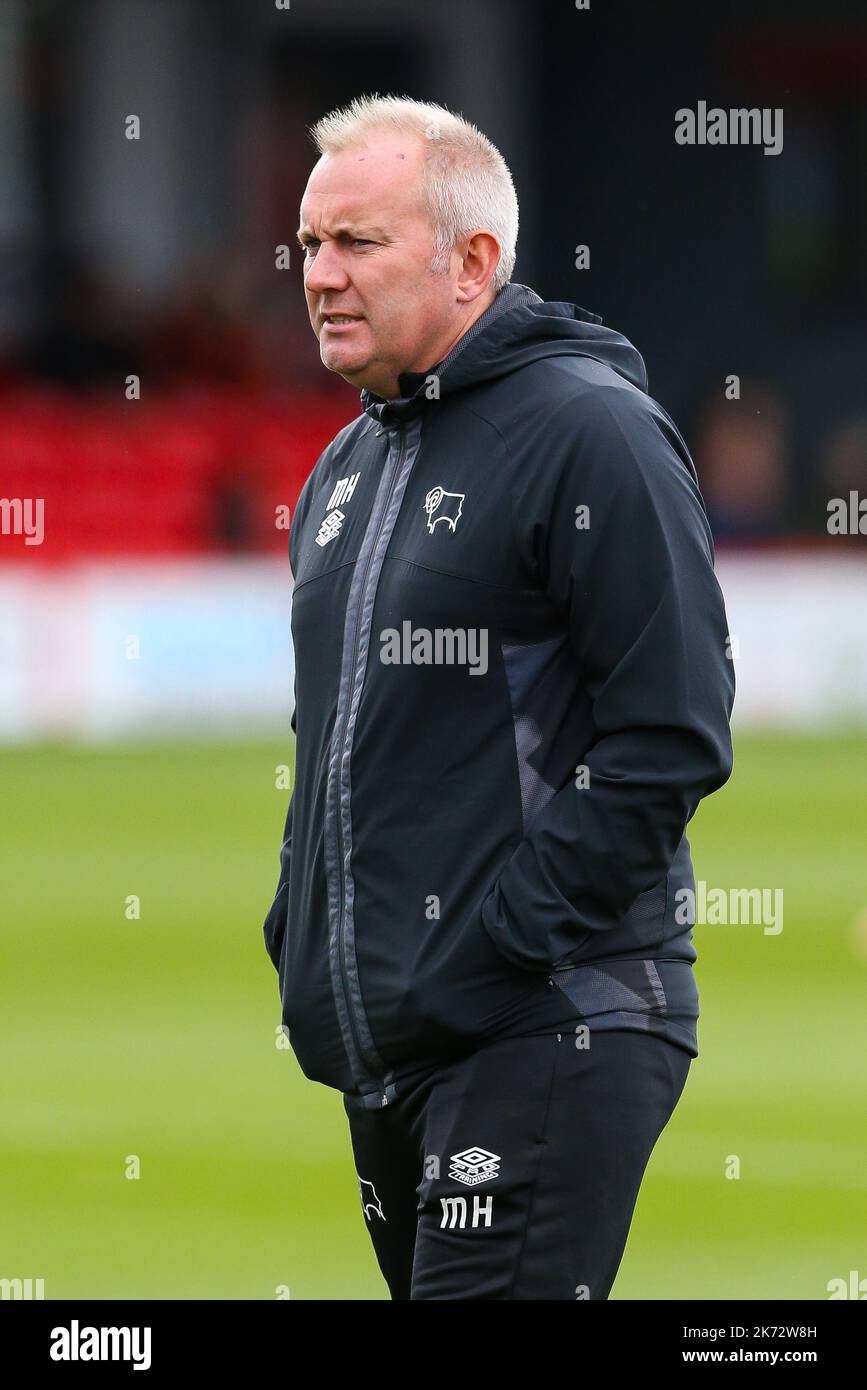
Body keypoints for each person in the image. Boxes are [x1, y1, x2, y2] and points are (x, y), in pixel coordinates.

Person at [262, 94, 735, 1300]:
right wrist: (303, 931)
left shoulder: (593, 434)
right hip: (395, 1044)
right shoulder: (347, 464)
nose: (319, 275)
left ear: (472, 260)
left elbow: (670, 735)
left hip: (549, 1023)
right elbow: (339, 743)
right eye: (310, 244)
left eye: (356, 243)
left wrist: (502, 941)